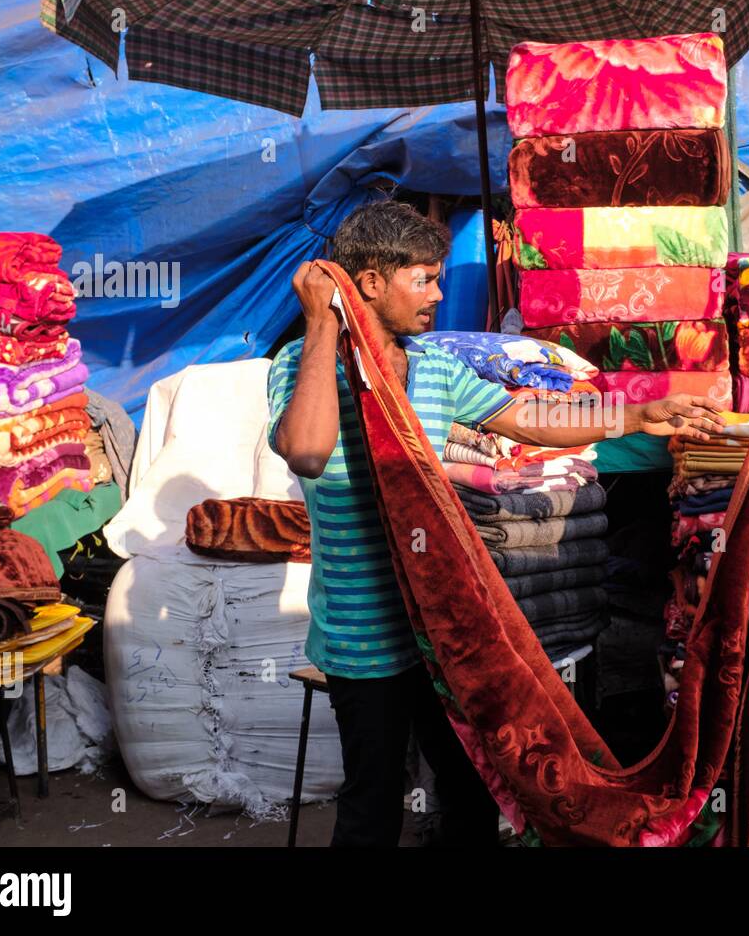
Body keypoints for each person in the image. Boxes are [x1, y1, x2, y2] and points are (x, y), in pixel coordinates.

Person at [267, 199, 724, 847]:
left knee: (472, 795)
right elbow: (308, 450)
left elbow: (529, 417)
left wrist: (638, 415)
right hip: (361, 638)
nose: (438, 292)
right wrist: (318, 324)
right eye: (421, 278)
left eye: (437, 275)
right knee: (371, 805)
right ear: (368, 283)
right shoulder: (305, 369)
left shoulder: (433, 366)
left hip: (445, 627)